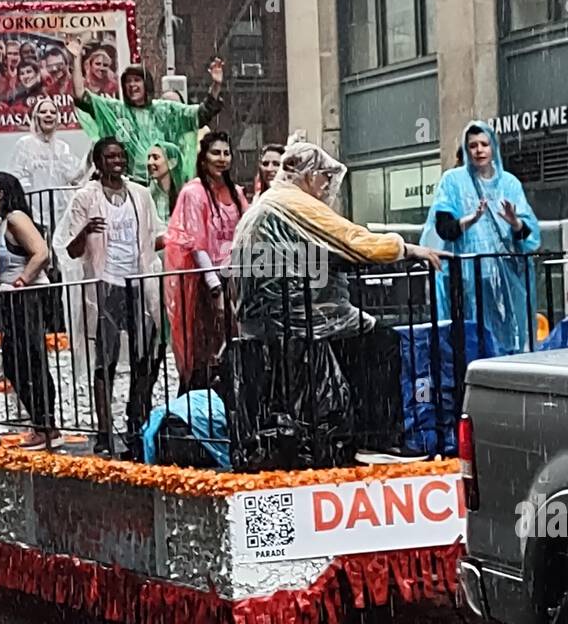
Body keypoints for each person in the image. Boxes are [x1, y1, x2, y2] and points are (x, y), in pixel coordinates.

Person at [229, 142, 444, 468]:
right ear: (306, 175)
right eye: (323, 176)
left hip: (267, 319)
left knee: (357, 342)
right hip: (297, 316)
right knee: (381, 342)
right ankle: (377, 439)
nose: (328, 184)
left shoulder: (268, 203)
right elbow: (351, 239)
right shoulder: (294, 203)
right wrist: (406, 249)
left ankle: (353, 436)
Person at [63, 138, 165, 454]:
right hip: (105, 286)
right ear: (98, 161)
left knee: (142, 358)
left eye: (121, 156)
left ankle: (137, 424)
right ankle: (104, 432)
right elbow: (70, 249)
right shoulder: (85, 198)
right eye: (110, 157)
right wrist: (86, 231)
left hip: (137, 283)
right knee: (105, 361)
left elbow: (154, 236)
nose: (117, 161)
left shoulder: (141, 194)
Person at [421, 120, 542, 354]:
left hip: (506, 276)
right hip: (465, 277)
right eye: (473, 145)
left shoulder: (509, 184)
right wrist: (471, 219)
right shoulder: (453, 181)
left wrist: (514, 222)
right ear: (466, 150)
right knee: (468, 336)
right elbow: (444, 227)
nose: (479, 150)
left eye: (484, 144)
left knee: (506, 333)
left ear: (493, 147)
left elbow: (529, 236)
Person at [69, 36, 225, 186]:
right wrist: (76, 60)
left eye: (137, 80)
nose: (132, 85)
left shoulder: (165, 110)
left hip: (163, 184)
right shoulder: (116, 111)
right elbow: (81, 96)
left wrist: (216, 86)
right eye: (128, 82)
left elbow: (202, 114)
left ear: (147, 84)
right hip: (130, 185)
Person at [164, 130, 247, 394]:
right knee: (203, 351)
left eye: (226, 153)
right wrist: (213, 283)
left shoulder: (235, 192)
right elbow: (194, 239)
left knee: (231, 345)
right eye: (215, 153)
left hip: (234, 277)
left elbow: (246, 231)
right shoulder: (193, 192)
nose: (221, 159)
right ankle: (193, 407)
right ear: (203, 157)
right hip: (205, 281)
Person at [0, 172, 56, 447]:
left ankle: (45, 424)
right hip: (12, 299)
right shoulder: (3, 224)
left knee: (30, 359)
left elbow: (41, 252)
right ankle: (41, 421)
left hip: (26, 298)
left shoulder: (16, 218)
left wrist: (20, 282)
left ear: (1, 193)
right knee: (16, 362)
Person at [9, 96, 84, 193]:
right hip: (32, 204)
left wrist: (89, 160)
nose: (48, 115)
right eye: (43, 112)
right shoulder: (24, 144)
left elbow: (73, 176)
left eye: (53, 112)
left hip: (60, 206)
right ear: (36, 116)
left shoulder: (62, 147)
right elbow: (14, 178)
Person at [145, 141, 183, 224]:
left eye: (155, 157)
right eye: (148, 158)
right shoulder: (147, 195)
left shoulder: (184, 195)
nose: (149, 162)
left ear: (172, 162)